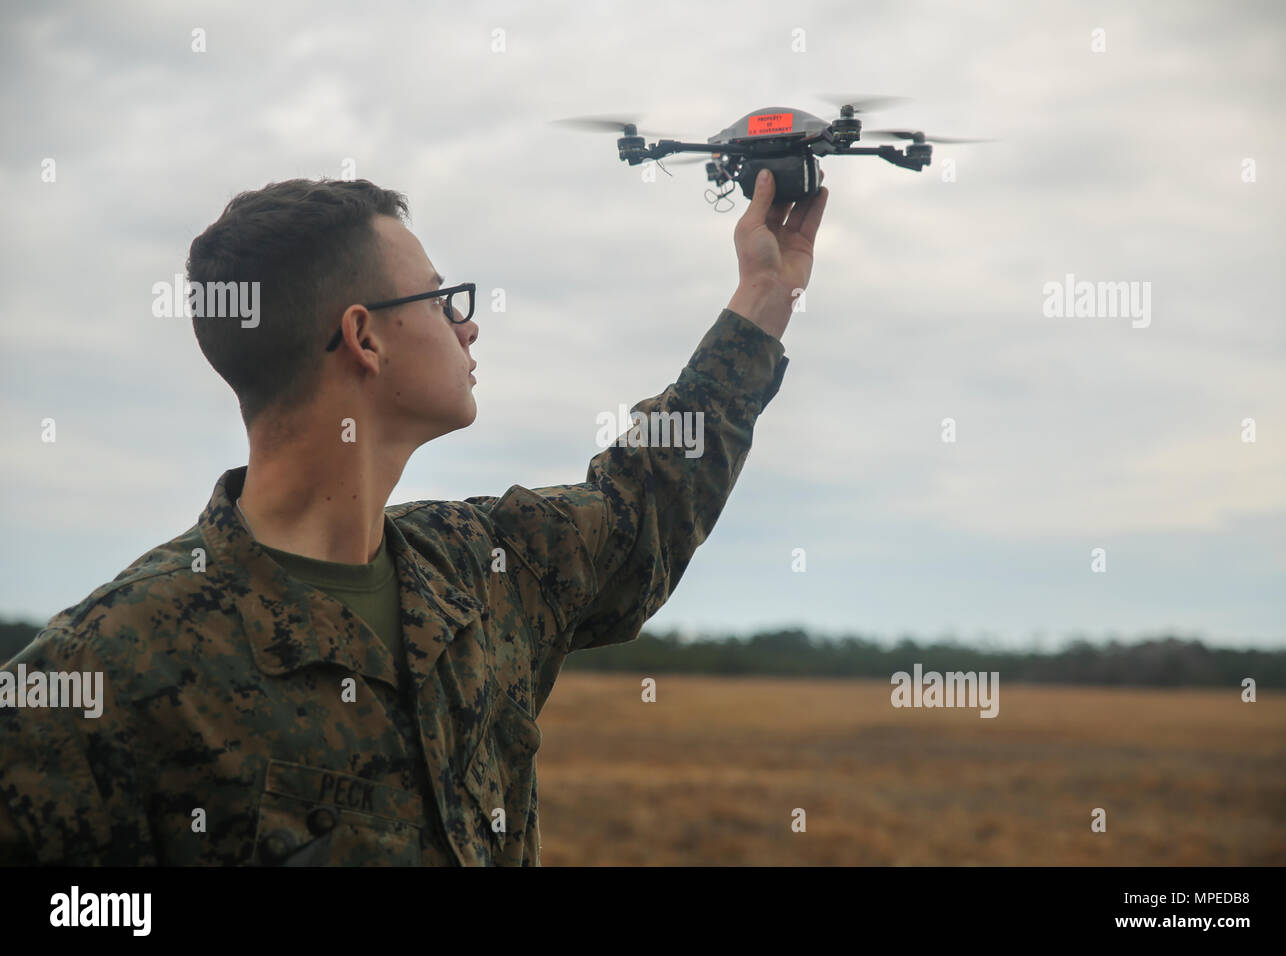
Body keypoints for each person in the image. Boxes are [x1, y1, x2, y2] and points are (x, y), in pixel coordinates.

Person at [0, 168, 829, 865]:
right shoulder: (101, 674)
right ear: (364, 338)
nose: (468, 325)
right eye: (441, 300)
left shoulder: (480, 568)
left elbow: (642, 506)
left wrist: (764, 294)